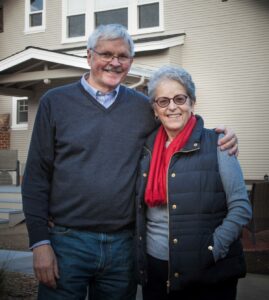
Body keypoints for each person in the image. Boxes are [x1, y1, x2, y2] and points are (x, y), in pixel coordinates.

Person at [22, 24, 238, 300]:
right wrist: (39, 242)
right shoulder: (55, 102)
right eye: (106, 54)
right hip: (67, 241)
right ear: (89, 56)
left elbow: (179, 124)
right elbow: (36, 177)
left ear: (131, 62)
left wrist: (221, 136)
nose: (114, 62)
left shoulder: (142, 107)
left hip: (123, 246)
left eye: (122, 56)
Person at [135, 66, 252, 300]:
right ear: (155, 110)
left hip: (208, 270)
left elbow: (241, 208)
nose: (172, 107)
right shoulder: (145, 150)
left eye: (180, 98)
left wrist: (213, 249)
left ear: (192, 102)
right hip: (156, 268)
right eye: (163, 101)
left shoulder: (218, 144)